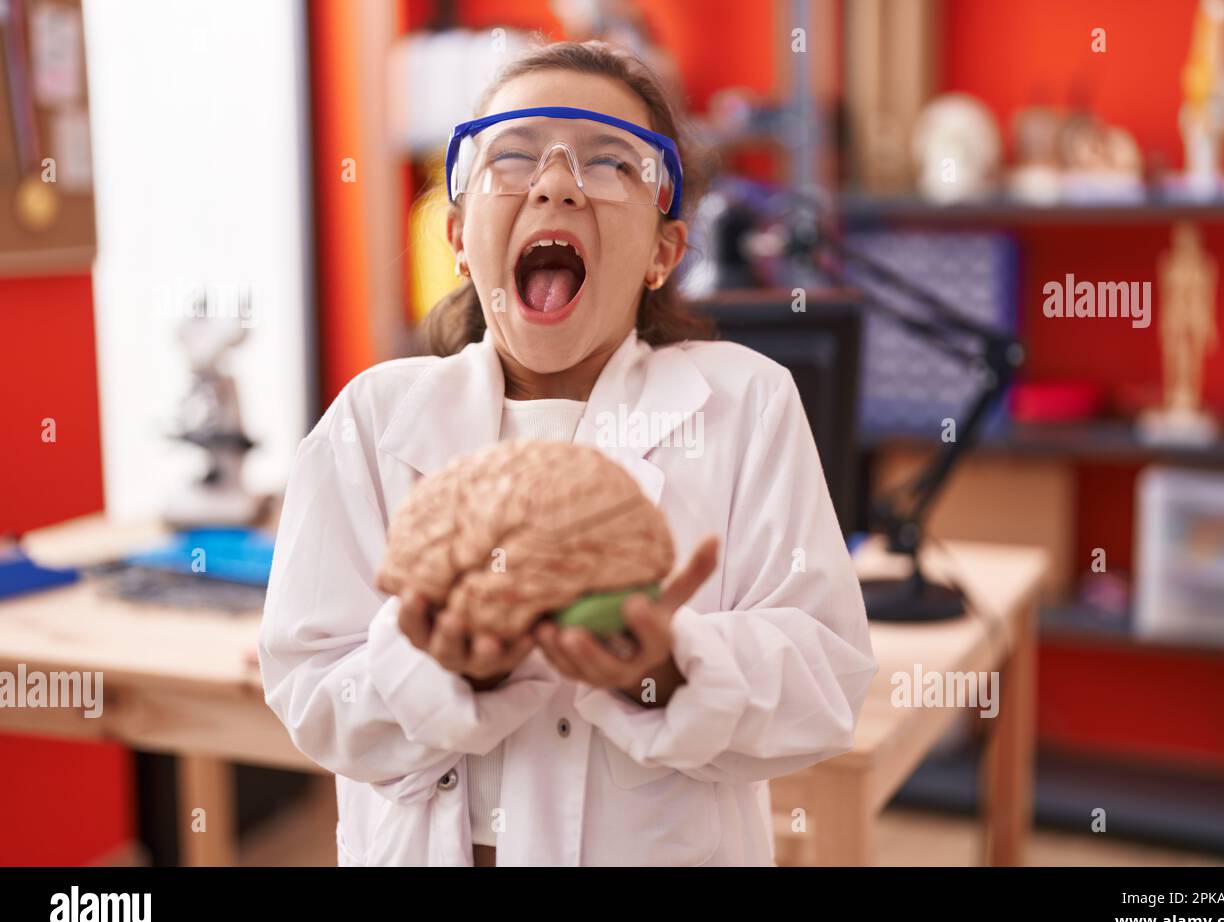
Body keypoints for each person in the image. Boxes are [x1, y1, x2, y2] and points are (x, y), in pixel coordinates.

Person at [259, 40, 875, 867]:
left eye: (610, 162)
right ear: (459, 237)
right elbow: (310, 688)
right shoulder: (370, 421)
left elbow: (827, 679)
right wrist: (443, 670)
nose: (556, 182)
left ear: (663, 251)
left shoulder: (745, 405)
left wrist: (667, 671)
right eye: (511, 158)